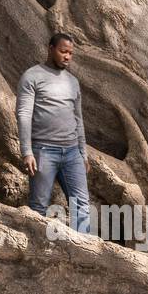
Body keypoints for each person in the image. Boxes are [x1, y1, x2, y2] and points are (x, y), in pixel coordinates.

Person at [15, 32, 91, 234]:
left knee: (81, 205)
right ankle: (34, 251)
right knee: (39, 207)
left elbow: (78, 119)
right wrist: (27, 151)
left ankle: (83, 252)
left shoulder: (73, 82)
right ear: (50, 49)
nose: (67, 56)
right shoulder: (32, 76)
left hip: (72, 152)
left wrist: (83, 152)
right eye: (63, 51)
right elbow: (23, 114)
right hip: (43, 151)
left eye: (71, 53)